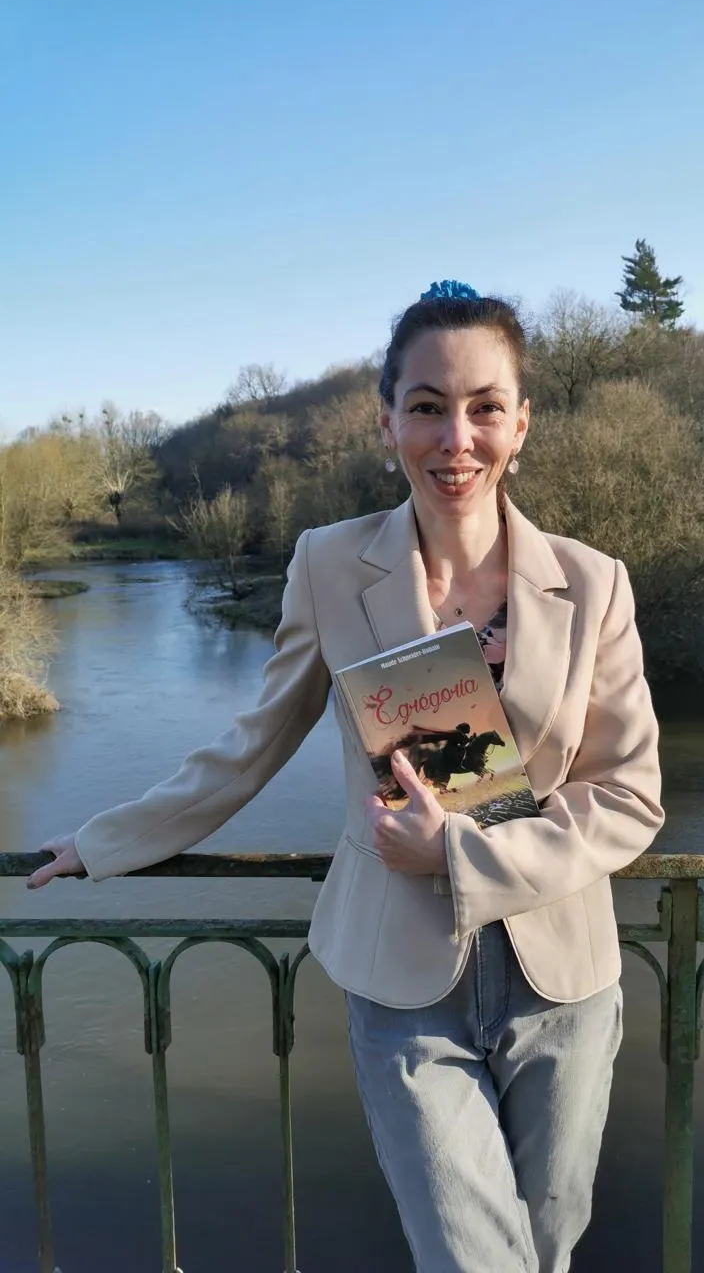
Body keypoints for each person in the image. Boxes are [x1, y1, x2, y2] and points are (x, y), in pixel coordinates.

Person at [27, 279, 665, 1272]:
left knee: (547, 1248)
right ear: (386, 421)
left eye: (484, 406)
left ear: (521, 423)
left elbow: (629, 792)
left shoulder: (593, 582)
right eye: (427, 406)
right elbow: (253, 740)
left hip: (563, 979)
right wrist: (105, 839)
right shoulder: (328, 564)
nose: (456, 436)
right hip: (403, 978)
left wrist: (461, 853)